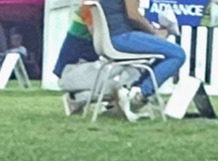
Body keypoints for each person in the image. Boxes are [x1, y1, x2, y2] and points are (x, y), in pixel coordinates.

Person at [55, 0, 186, 111]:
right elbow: (133, 15)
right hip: (121, 37)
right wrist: (154, 32)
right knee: (178, 54)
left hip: (111, 38)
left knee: (139, 66)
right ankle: (139, 93)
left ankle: (134, 92)